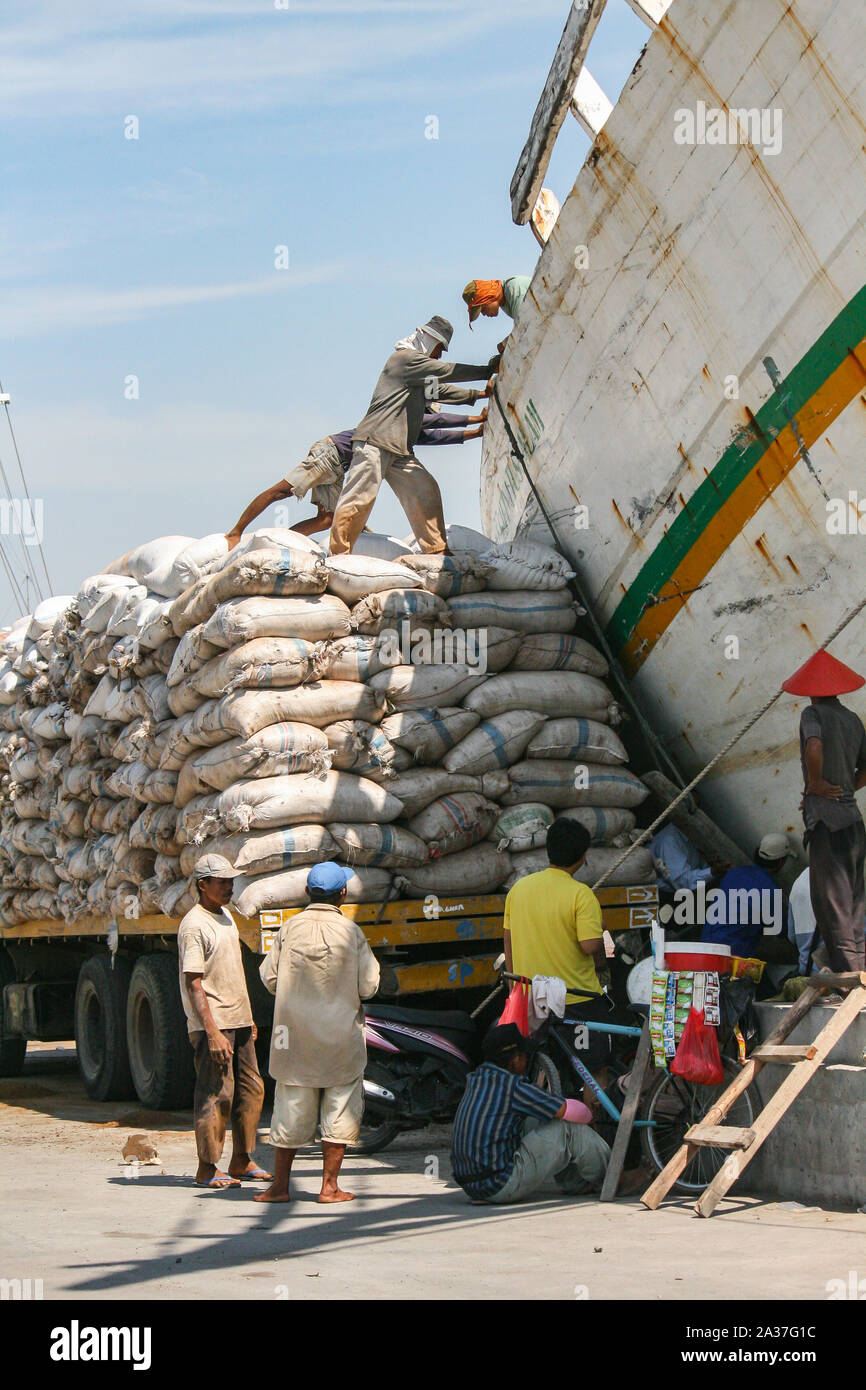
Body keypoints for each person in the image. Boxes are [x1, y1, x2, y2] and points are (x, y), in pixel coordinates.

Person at [255, 861, 381, 1205]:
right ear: (343, 894)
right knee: (339, 1111)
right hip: (340, 1039)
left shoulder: (289, 929)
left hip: (293, 1038)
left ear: (308, 893)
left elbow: (269, 979)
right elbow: (369, 986)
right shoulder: (351, 932)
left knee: (290, 1109)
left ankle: (279, 1188)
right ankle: (329, 1188)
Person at [328, 317, 498, 555]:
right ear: (428, 341)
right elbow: (445, 372)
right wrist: (486, 371)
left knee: (425, 489)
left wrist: (479, 394)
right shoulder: (405, 360)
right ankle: (339, 554)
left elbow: (438, 390)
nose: (438, 355)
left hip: (399, 450)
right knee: (359, 499)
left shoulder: (418, 373)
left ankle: (437, 550)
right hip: (374, 443)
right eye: (438, 349)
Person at [224, 403, 489, 549]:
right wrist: (475, 418)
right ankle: (235, 533)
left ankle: (283, 543)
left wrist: (475, 433)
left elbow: (435, 437)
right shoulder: (396, 420)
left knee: (327, 519)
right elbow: (436, 425)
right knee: (280, 491)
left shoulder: (406, 433)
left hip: (339, 467)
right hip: (329, 453)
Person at [177, 853, 270, 1190]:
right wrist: (212, 1031)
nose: (229, 887)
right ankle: (207, 1167)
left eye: (231, 881)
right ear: (203, 885)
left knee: (252, 1089)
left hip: (239, 1020)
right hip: (213, 1024)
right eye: (222, 882)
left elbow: (232, 971)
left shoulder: (225, 916)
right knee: (216, 1094)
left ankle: (242, 1159)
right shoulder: (194, 925)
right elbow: (194, 983)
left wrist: (248, 1018)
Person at [503, 817, 610, 1102]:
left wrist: (516, 987)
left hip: (533, 999)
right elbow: (589, 946)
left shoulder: (518, 891)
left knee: (541, 1064)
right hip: (576, 1001)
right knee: (595, 1068)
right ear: (582, 856)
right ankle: (592, 1131)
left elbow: (509, 943)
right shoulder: (581, 894)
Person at [450, 1023, 610, 1204]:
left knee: (539, 1119)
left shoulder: (477, 1078)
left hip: (472, 1185)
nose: (527, 1060)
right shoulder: (512, 1085)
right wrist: (591, 1116)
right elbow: (573, 1112)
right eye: (525, 1056)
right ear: (515, 1060)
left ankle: (575, 1183)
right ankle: (611, 1179)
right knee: (569, 1130)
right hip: (498, 1184)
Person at [783, 648, 866, 973]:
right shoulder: (852, 720)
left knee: (831, 902)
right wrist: (844, 789)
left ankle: (850, 975)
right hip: (854, 824)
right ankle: (861, 967)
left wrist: (815, 785)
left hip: (827, 826)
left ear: (812, 691)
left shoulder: (811, 715)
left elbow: (814, 746)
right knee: (856, 901)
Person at [701, 833, 795, 962]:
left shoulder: (735, 873)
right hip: (731, 954)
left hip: (705, 943)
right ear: (780, 862)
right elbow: (782, 930)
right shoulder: (770, 890)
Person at [648, 822, 712, 895]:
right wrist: (712, 872)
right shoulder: (669, 842)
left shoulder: (694, 836)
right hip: (666, 894)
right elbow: (683, 883)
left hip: (692, 886)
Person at [462, 277, 532, 326]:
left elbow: (524, 324)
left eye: (483, 309)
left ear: (489, 296)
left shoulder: (514, 289)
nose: (484, 314)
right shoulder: (505, 301)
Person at [787, 865, 817, 975]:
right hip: (835, 975)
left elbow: (791, 937)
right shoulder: (839, 877)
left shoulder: (798, 882)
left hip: (807, 971)